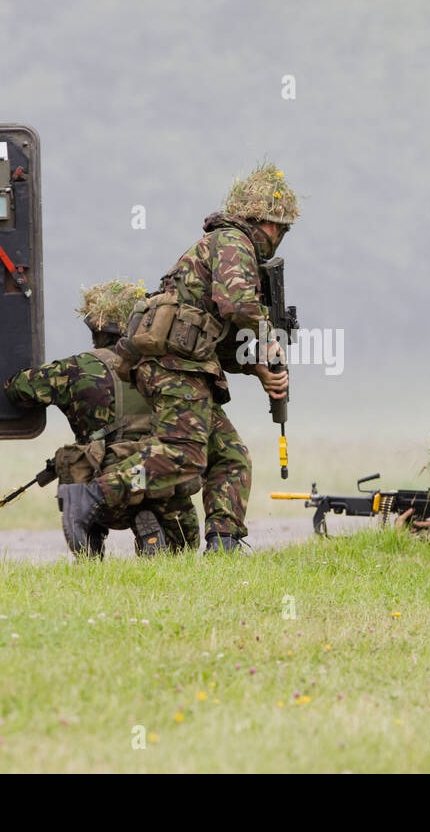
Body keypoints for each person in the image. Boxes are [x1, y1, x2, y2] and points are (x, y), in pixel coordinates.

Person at [60, 163, 296, 553]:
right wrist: (268, 337)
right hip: (174, 366)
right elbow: (238, 305)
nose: (280, 236)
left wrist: (256, 369)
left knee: (230, 456)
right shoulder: (233, 242)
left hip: (185, 364)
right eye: (279, 227)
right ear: (262, 220)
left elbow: (216, 334)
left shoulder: (224, 247)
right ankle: (90, 499)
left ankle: (224, 543)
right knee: (184, 457)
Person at [2, 280, 200, 555]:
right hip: (157, 484)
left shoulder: (75, 368)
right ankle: (151, 532)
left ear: (96, 328)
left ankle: (91, 542)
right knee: (184, 551)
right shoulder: (165, 368)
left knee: (78, 461)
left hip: (99, 488)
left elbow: (17, 389)